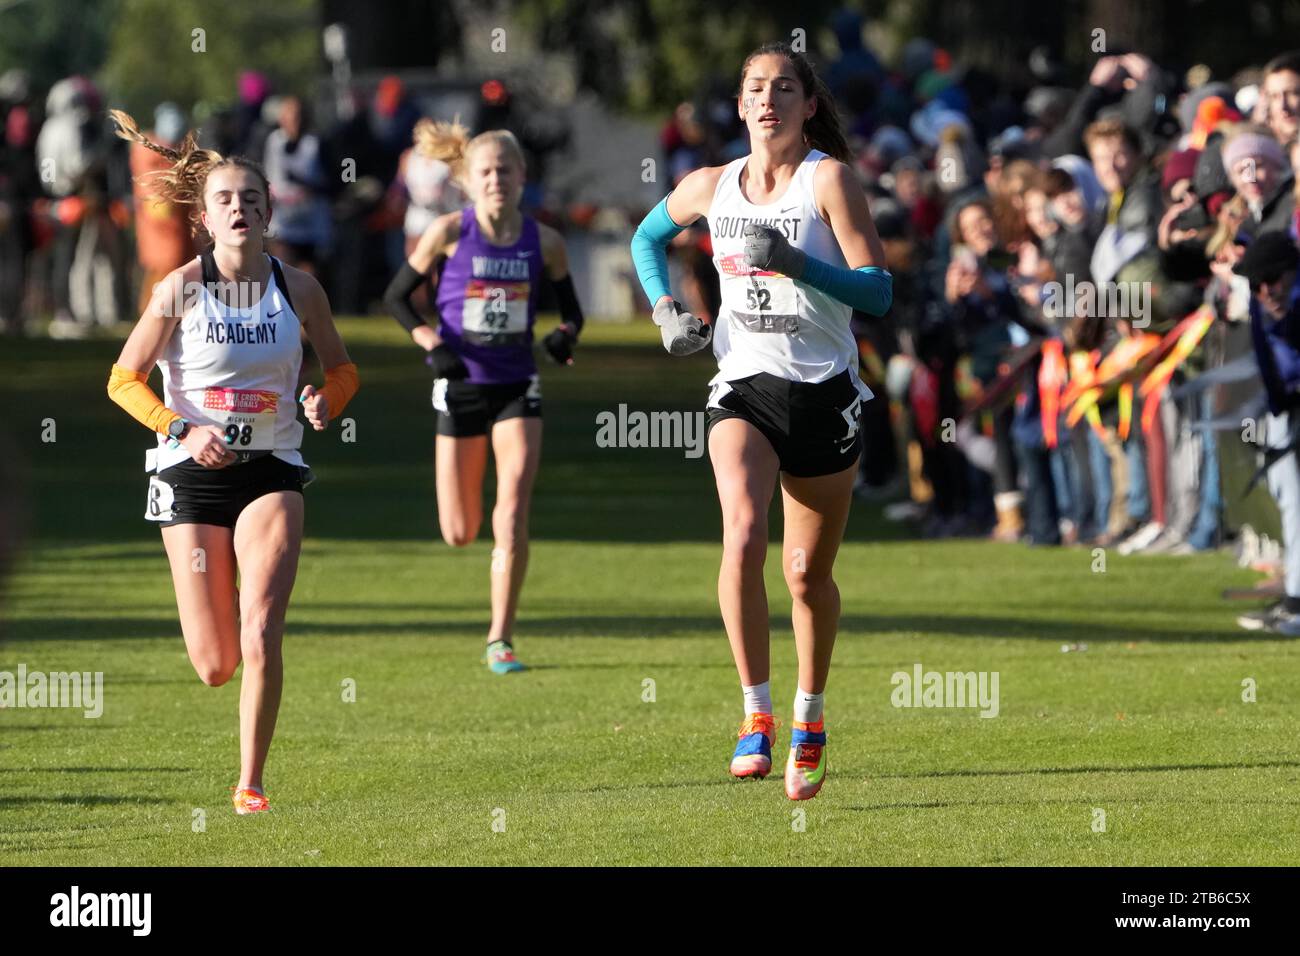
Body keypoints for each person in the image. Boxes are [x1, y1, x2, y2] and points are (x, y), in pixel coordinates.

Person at [630, 42, 892, 800]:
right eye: (755, 88)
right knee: (742, 533)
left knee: (806, 575)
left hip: (823, 393)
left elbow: (878, 293)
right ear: (741, 105)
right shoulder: (712, 186)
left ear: (810, 105)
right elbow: (649, 238)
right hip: (743, 387)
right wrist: (665, 308)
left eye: (784, 87)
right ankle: (756, 713)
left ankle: (810, 717)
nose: (768, 99)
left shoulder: (829, 182)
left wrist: (797, 263)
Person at [105, 110, 359, 814]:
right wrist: (180, 428)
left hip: (271, 469)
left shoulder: (299, 289)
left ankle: (250, 781)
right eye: (225, 200)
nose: (240, 208)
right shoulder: (179, 288)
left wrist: (323, 400)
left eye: (251, 199)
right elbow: (122, 379)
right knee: (216, 663)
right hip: (189, 475)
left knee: (261, 628)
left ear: (270, 212)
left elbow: (342, 370)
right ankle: (226, 610)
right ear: (204, 221)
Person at [383, 119, 584, 675]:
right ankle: (482, 576)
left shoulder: (545, 241)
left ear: (523, 177)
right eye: (486, 171)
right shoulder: (447, 232)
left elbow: (573, 314)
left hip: (518, 385)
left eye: (506, 170)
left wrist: (564, 338)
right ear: (468, 181)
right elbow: (398, 297)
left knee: (513, 507)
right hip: (461, 386)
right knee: (459, 531)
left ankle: (501, 637)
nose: (496, 179)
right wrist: (432, 344)